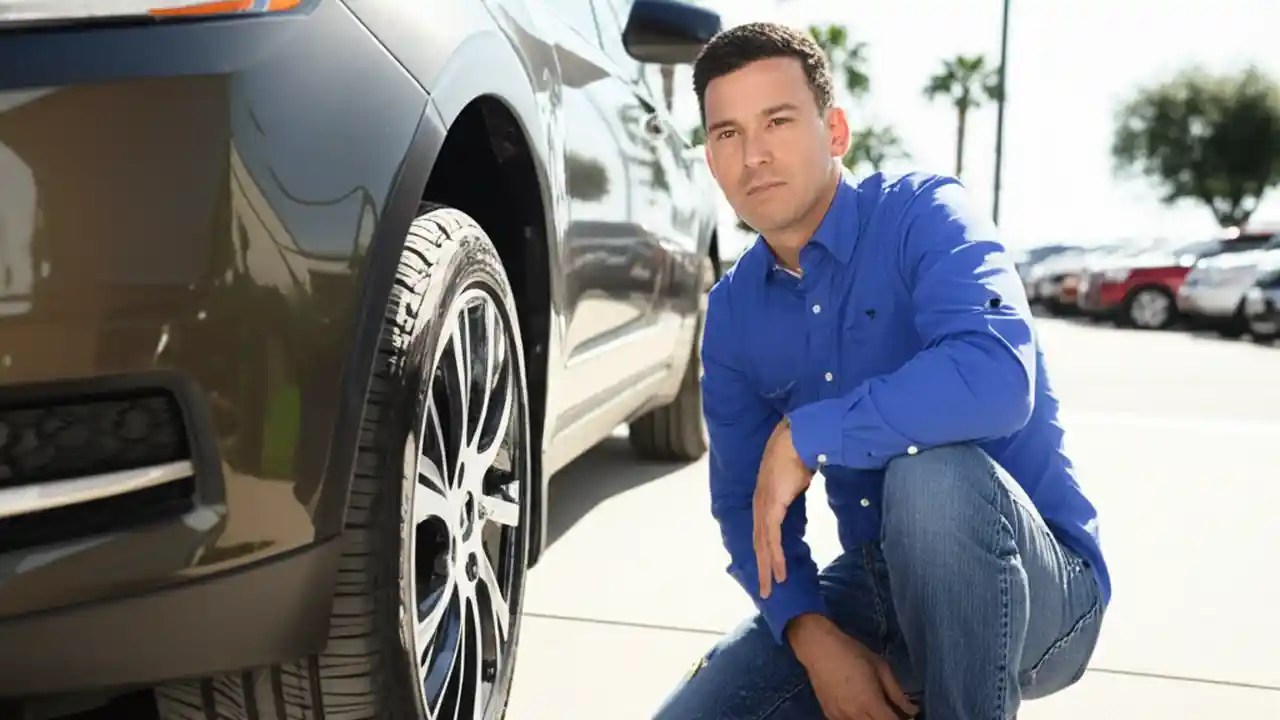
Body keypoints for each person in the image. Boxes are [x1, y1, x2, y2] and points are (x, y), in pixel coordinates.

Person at [652, 22, 1110, 720]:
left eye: (777, 120)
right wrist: (813, 637)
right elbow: (745, 509)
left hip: (1043, 590)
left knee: (930, 475)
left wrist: (812, 432)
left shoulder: (924, 215)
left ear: (835, 131)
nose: (754, 155)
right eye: (727, 134)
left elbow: (996, 375)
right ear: (711, 159)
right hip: (876, 582)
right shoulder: (735, 312)